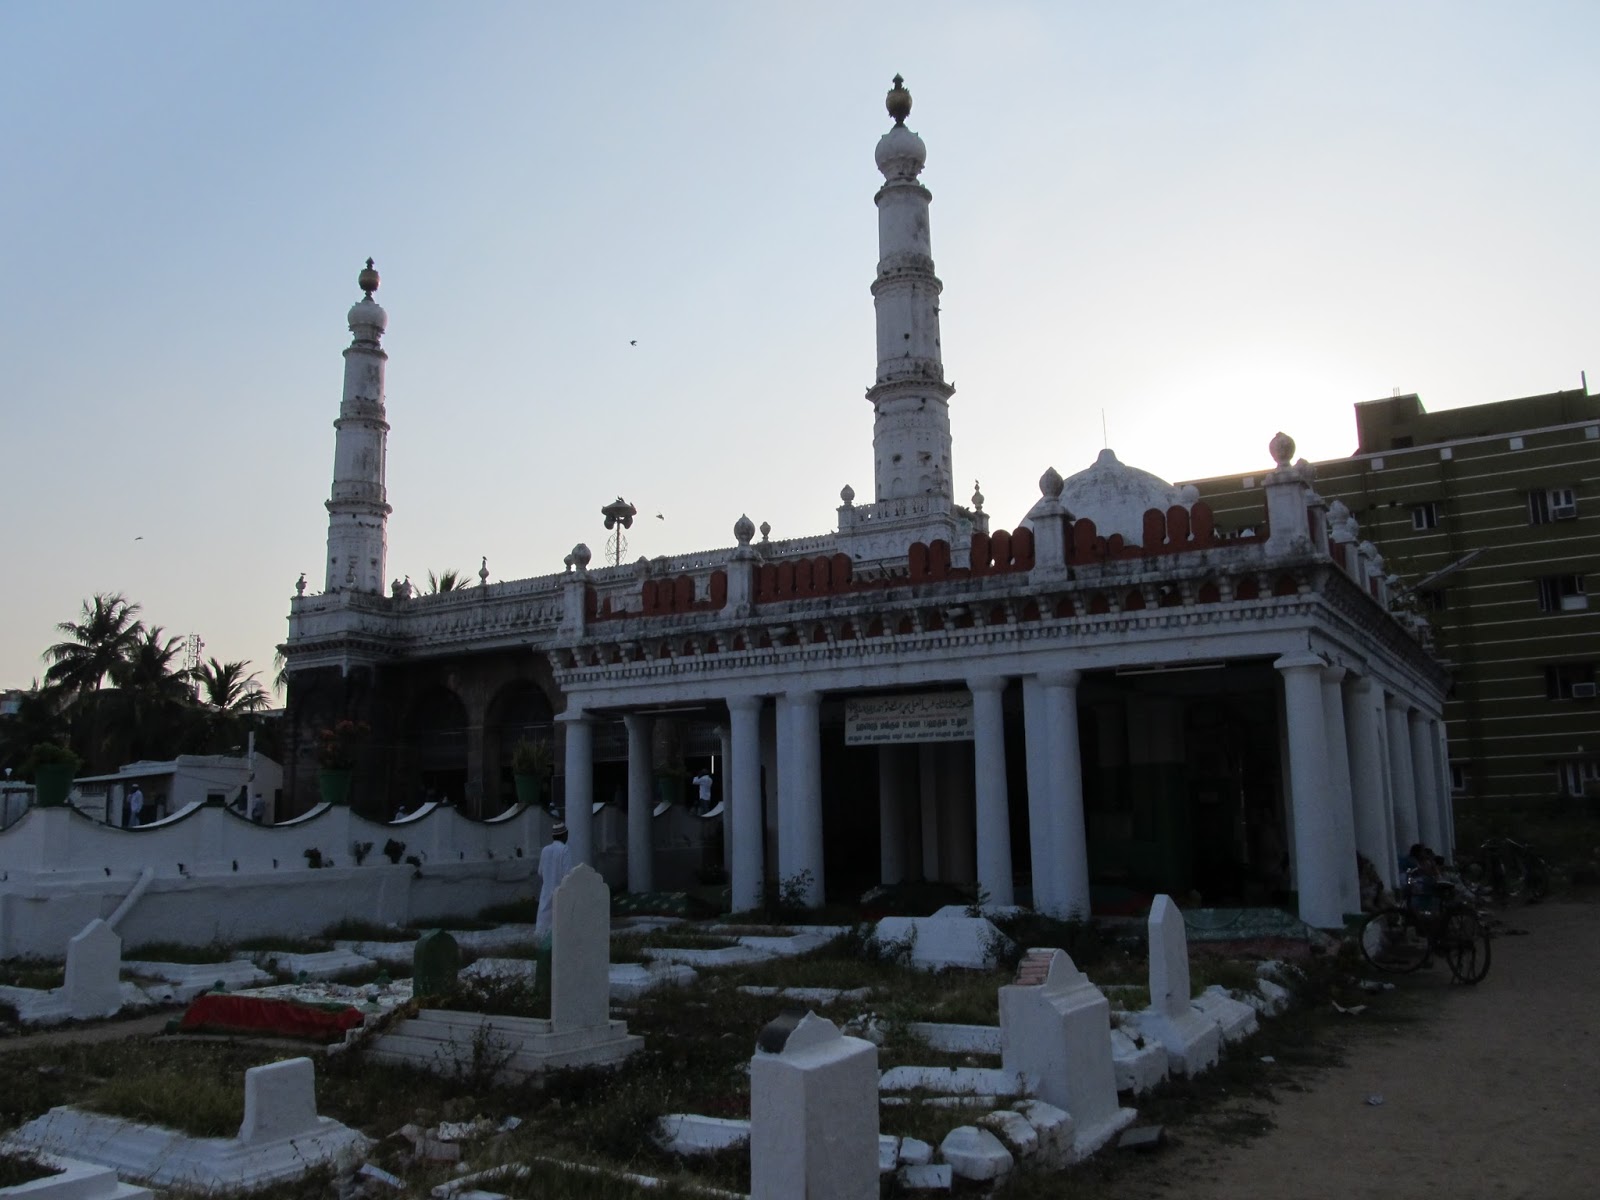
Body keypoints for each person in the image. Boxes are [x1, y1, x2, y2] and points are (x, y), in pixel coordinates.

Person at [534, 821, 572, 936]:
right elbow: (568, 875)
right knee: (558, 927)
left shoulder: (545, 850)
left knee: (543, 924)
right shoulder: (565, 850)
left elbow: (540, 872)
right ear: (565, 835)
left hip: (546, 891)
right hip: (560, 892)